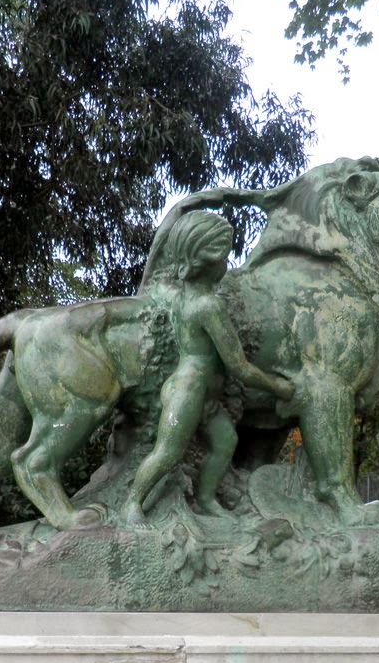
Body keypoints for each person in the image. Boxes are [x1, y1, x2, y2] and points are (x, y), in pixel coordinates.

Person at [122, 210, 293, 524]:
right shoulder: (209, 306)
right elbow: (239, 366)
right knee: (168, 453)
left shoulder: (182, 297)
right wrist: (278, 386)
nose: (227, 265)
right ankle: (132, 503)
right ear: (209, 262)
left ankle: (204, 497)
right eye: (224, 258)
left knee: (226, 441)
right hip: (188, 390)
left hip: (204, 395)